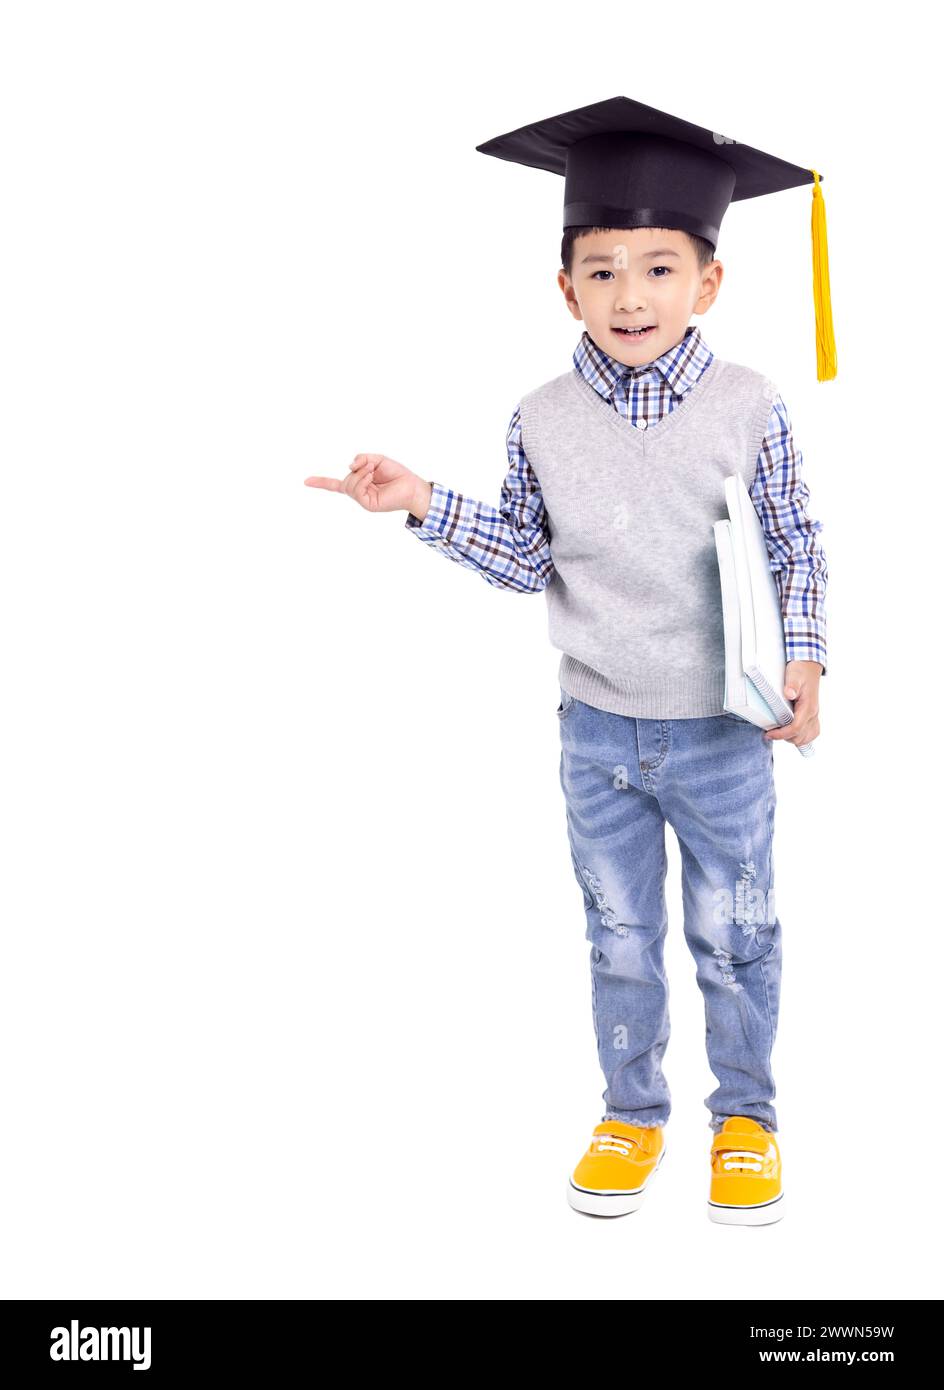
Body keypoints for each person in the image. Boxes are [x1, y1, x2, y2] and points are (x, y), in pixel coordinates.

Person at [305, 95, 834, 1227]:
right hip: (594, 732)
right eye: (599, 271)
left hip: (721, 732)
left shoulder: (748, 405)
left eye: (655, 267)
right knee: (620, 933)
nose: (628, 296)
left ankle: (743, 1117)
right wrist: (420, 503)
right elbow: (522, 554)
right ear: (564, 288)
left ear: (707, 281)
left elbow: (793, 543)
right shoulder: (538, 416)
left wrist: (807, 663)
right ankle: (629, 1111)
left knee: (734, 932)